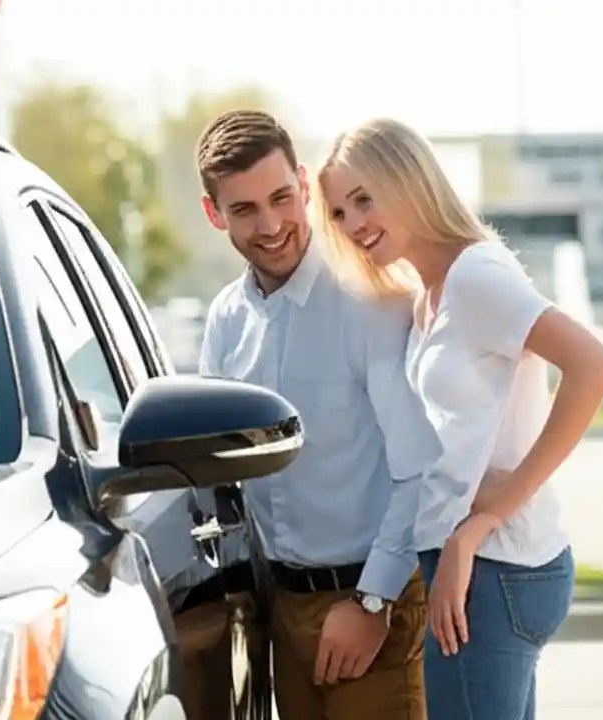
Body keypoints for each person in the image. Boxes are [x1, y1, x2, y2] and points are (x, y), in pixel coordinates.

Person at [316, 117, 603, 720]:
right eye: (338, 214)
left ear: (408, 182)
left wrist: (478, 527)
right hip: (471, 563)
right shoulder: (432, 292)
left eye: (362, 200)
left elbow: (594, 366)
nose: (353, 225)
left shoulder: (476, 277)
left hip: (496, 567)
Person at [190, 109, 441, 720]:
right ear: (214, 213)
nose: (272, 225)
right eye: (245, 209)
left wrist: (373, 604)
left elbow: (422, 471)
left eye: (281, 197)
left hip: (371, 602)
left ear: (304, 185)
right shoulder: (226, 320)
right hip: (279, 612)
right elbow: (212, 471)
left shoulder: (369, 300)